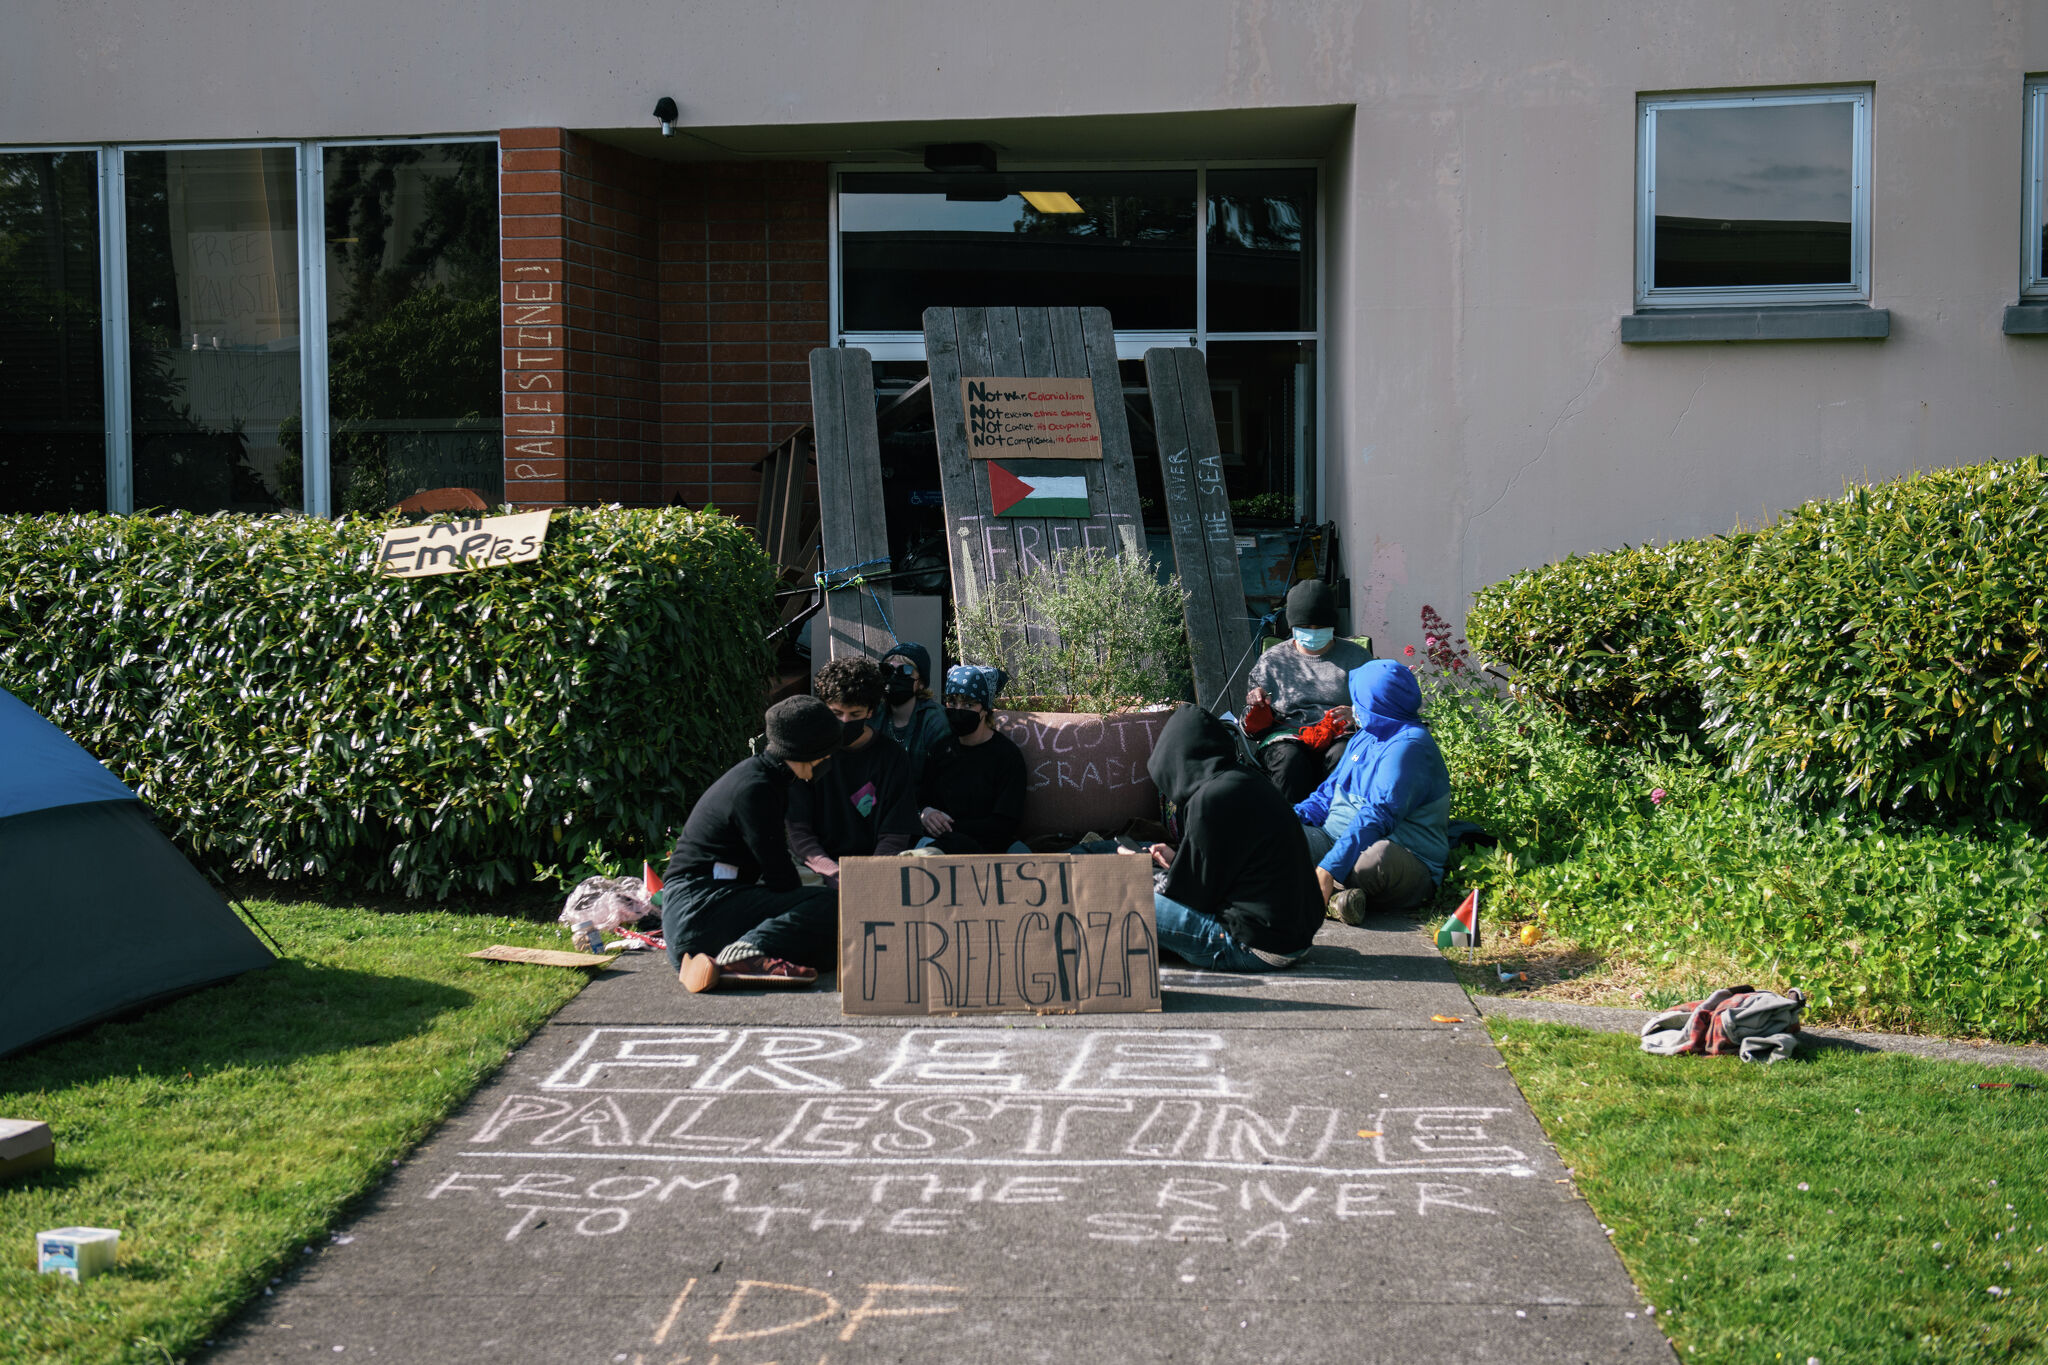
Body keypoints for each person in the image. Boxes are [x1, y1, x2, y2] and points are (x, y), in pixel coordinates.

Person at [662, 695, 842, 993]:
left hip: (696, 916)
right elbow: (781, 878)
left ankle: (729, 963)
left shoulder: (762, 777)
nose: (828, 761)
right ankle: (746, 951)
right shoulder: (756, 789)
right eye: (827, 753)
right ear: (810, 751)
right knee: (832, 908)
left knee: (832, 948)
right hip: (698, 913)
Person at [1142, 703, 1323, 971]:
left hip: (1254, 946)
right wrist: (1180, 860)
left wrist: (1143, 876)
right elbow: (1229, 866)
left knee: (1125, 902)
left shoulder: (1209, 800)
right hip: (1294, 939)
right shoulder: (1244, 780)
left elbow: (1195, 897)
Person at [1294, 659, 1451, 924]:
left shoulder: (1409, 746)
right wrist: (1286, 819)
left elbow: (1377, 815)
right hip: (1335, 839)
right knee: (1279, 836)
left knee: (1374, 861)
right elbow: (1325, 795)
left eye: (1359, 698)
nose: (1354, 706)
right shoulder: (1365, 735)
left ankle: (1319, 885)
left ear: (1377, 702)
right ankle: (1335, 897)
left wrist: (1330, 866)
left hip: (1399, 854)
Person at [787, 656, 919, 887]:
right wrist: (834, 874)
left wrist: (870, 876)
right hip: (817, 869)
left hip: (877, 868)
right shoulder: (807, 754)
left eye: (855, 714)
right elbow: (798, 832)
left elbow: (895, 834)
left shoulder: (893, 757)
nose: (845, 721)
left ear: (870, 712)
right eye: (837, 713)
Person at [1243, 580, 1374, 804]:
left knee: (1343, 757)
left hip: (1340, 734)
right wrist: (1256, 707)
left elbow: (1379, 708)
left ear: (1332, 625)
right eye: (1305, 627)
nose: (1313, 633)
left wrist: (1356, 715)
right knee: (1289, 761)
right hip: (1287, 737)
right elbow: (1251, 732)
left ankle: (1340, 821)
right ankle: (1293, 823)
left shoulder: (1357, 658)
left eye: (1320, 627)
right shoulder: (1272, 661)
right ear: (1292, 626)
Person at [915, 664, 1028, 854]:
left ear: (985, 709)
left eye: (968, 704)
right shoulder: (941, 750)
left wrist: (955, 830)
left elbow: (1005, 822)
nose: (958, 710)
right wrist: (925, 813)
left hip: (991, 845)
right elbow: (922, 797)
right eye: (952, 702)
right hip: (941, 842)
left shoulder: (1007, 756)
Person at [872, 641, 950, 781]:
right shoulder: (874, 714)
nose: (894, 677)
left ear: (921, 683)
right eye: (887, 669)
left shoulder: (935, 721)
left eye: (905, 671)